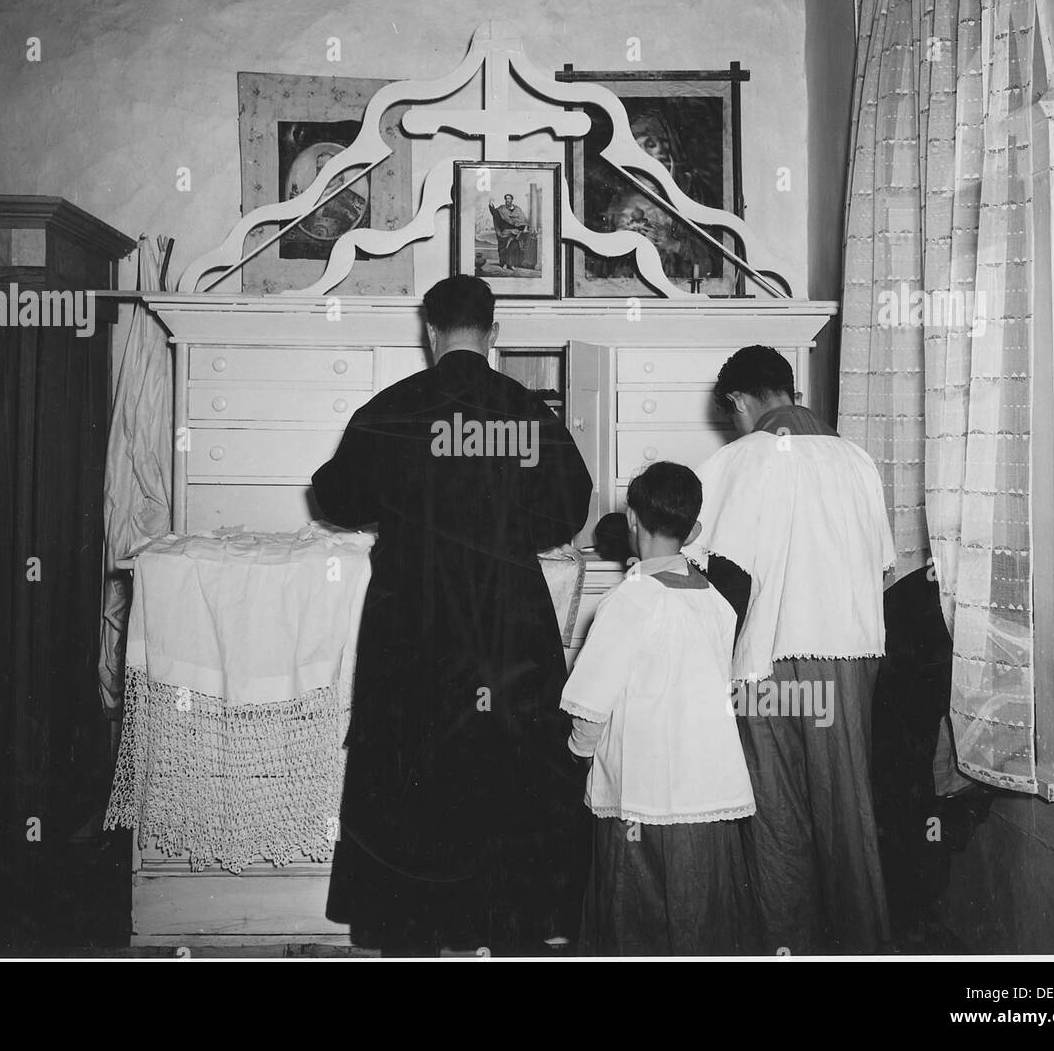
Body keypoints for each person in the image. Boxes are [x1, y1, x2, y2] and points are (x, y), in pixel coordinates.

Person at [312, 275, 593, 956]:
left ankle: (414, 932)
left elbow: (334, 496)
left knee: (412, 772)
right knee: (508, 769)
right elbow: (571, 505)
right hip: (506, 622)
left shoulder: (391, 408)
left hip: (413, 621)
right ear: (493, 333)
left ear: (430, 332)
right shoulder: (527, 413)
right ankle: (508, 927)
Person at [684, 345, 896, 954]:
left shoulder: (736, 461)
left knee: (776, 817)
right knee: (848, 816)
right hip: (852, 659)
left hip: (768, 662)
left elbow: (718, 579)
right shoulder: (857, 459)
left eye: (733, 415)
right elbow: (880, 565)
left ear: (740, 402)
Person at [561, 462, 755, 955]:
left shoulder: (631, 599)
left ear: (631, 518)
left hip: (641, 798)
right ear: (693, 530)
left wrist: (577, 755)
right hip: (707, 796)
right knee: (700, 919)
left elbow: (589, 707)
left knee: (637, 923)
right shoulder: (717, 601)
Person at [488, 193, 528, 269]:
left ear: (512, 199)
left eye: (509, 198)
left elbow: (523, 220)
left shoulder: (518, 209)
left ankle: (511, 264)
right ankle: (504, 264)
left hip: (515, 232)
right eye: (506, 199)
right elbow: (495, 214)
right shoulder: (502, 209)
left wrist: (519, 230)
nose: (507, 200)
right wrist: (490, 205)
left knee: (512, 248)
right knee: (503, 249)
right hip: (505, 232)